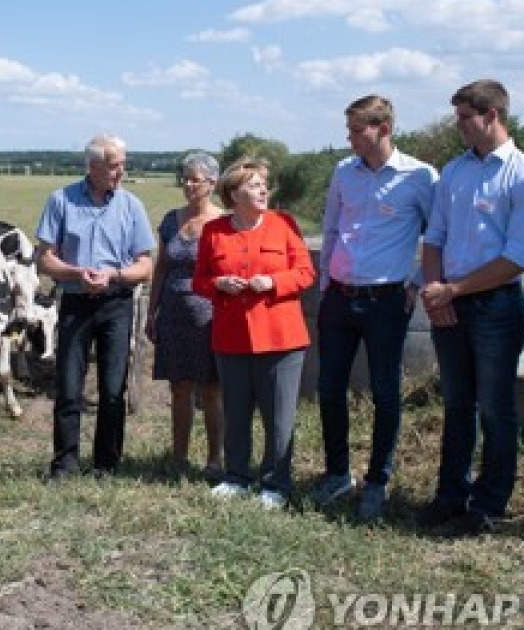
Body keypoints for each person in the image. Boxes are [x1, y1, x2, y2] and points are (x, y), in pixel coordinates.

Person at [419, 79, 524, 534]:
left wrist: (453, 291)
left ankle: (489, 503)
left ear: (491, 115)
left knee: (495, 408)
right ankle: (449, 495)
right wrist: (435, 289)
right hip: (450, 301)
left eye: (464, 117)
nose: (458, 126)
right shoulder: (454, 172)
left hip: (495, 306)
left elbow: (517, 258)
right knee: (458, 404)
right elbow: (434, 236)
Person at [314, 95, 438, 521]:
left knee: (385, 392)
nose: (349, 138)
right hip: (340, 296)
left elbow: (437, 235)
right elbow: (331, 227)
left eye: (356, 130)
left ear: (383, 129)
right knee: (330, 387)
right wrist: (326, 279)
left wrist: (419, 282)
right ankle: (337, 472)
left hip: (387, 300)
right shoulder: (343, 173)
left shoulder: (419, 176)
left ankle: (378, 481)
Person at [192, 157, 315, 508]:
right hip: (231, 337)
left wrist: (273, 282)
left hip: (281, 338)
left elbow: (306, 273)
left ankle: (277, 483)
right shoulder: (214, 232)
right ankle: (237, 476)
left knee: (279, 415)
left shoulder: (284, 224)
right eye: (254, 185)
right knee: (236, 410)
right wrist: (219, 283)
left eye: (264, 184)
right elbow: (199, 281)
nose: (263, 190)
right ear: (233, 193)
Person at [35, 133, 155, 480]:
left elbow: (145, 266)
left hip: (116, 304)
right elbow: (45, 259)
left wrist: (115, 274)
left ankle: (106, 465)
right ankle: (64, 465)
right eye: (114, 165)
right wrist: (76, 273)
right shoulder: (61, 201)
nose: (120, 171)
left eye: (122, 165)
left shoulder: (132, 206)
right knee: (69, 385)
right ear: (93, 166)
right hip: (74, 302)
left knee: (113, 388)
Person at [145, 151, 225, 478]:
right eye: (186, 178)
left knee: (211, 390)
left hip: (210, 316)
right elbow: (161, 268)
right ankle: (179, 458)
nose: (189, 185)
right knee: (179, 387)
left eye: (196, 179)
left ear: (212, 183)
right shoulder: (170, 220)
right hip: (174, 316)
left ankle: (214, 460)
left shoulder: (224, 222)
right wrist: (152, 312)